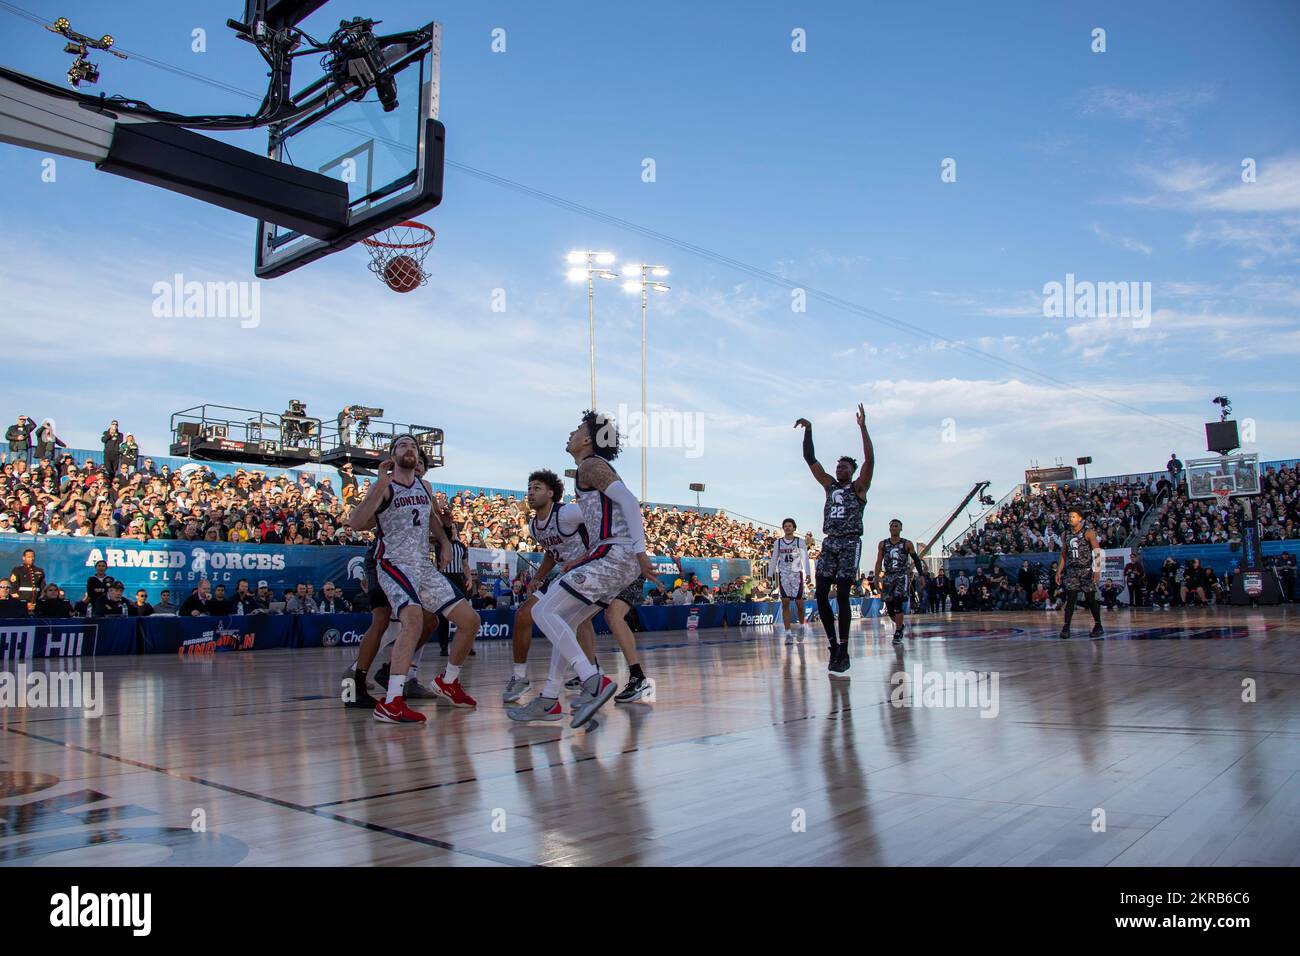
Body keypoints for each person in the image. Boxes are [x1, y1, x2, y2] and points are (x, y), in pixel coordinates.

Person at [507, 410, 654, 728]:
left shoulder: (590, 465)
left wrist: (640, 553)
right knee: (567, 620)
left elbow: (629, 502)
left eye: (577, 429)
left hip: (617, 554)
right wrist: (581, 559)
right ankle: (548, 699)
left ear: (588, 439)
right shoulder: (586, 471)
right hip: (609, 554)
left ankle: (593, 679)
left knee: (542, 612)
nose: (571, 433)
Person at [348, 435, 481, 722]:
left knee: (470, 621)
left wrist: (445, 542)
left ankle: (448, 681)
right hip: (392, 561)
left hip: (422, 564)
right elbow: (356, 523)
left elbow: (430, 516)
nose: (410, 449)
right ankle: (386, 697)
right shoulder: (385, 487)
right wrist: (380, 484)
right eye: (402, 446)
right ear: (392, 455)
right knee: (404, 620)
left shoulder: (424, 485)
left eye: (413, 446)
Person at [504, 469, 598, 703]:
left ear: (551, 493)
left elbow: (600, 521)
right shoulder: (535, 526)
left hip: (587, 570)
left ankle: (590, 676)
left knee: (579, 620)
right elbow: (552, 552)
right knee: (524, 615)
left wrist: (585, 557)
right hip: (565, 573)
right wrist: (539, 576)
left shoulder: (567, 512)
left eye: (536, 488)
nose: (530, 493)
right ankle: (521, 677)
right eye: (529, 489)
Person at [794, 404, 874, 677]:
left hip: (850, 541)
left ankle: (844, 647)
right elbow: (810, 459)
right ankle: (832, 646)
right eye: (838, 466)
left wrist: (863, 428)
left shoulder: (858, 487)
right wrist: (809, 431)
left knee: (841, 594)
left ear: (851, 471)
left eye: (844, 467)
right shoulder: (829, 485)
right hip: (830, 542)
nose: (839, 469)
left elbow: (870, 461)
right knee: (820, 594)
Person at [873, 519, 926, 646]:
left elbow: (916, 560)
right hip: (888, 576)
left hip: (901, 576)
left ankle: (897, 632)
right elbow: (879, 561)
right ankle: (900, 625)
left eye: (896, 526)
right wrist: (876, 576)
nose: (894, 528)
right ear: (889, 528)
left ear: (901, 529)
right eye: (892, 526)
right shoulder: (883, 544)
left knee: (897, 602)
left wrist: (921, 575)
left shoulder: (906, 544)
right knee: (890, 608)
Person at [1056, 504, 1104, 639]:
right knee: (1070, 598)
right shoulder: (1066, 534)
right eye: (1069, 516)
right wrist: (1059, 571)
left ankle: (1098, 624)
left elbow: (1097, 552)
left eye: (1073, 516)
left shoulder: (1088, 532)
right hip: (1072, 570)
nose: (1070, 518)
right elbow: (1063, 554)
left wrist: (1097, 570)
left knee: (1090, 599)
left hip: (1087, 570)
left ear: (1080, 518)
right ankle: (1066, 626)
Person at [768, 518, 812, 643]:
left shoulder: (799, 542)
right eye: (785, 526)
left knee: (799, 604)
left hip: (796, 574)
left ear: (794, 528)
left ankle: (802, 627)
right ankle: (788, 633)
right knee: (785, 602)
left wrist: (808, 573)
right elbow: (774, 558)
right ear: (783, 528)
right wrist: (770, 574)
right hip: (784, 574)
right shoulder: (778, 542)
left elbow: (805, 558)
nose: (787, 528)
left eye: (789, 526)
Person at [9, 548, 45, 614]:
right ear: (23, 558)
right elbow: (13, 590)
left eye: (33, 557)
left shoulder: (40, 571)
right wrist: (24, 603)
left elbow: (43, 588)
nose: (31, 559)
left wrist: (37, 602)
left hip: (36, 604)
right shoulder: (17, 570)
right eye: (29, 557)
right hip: (21, 605)